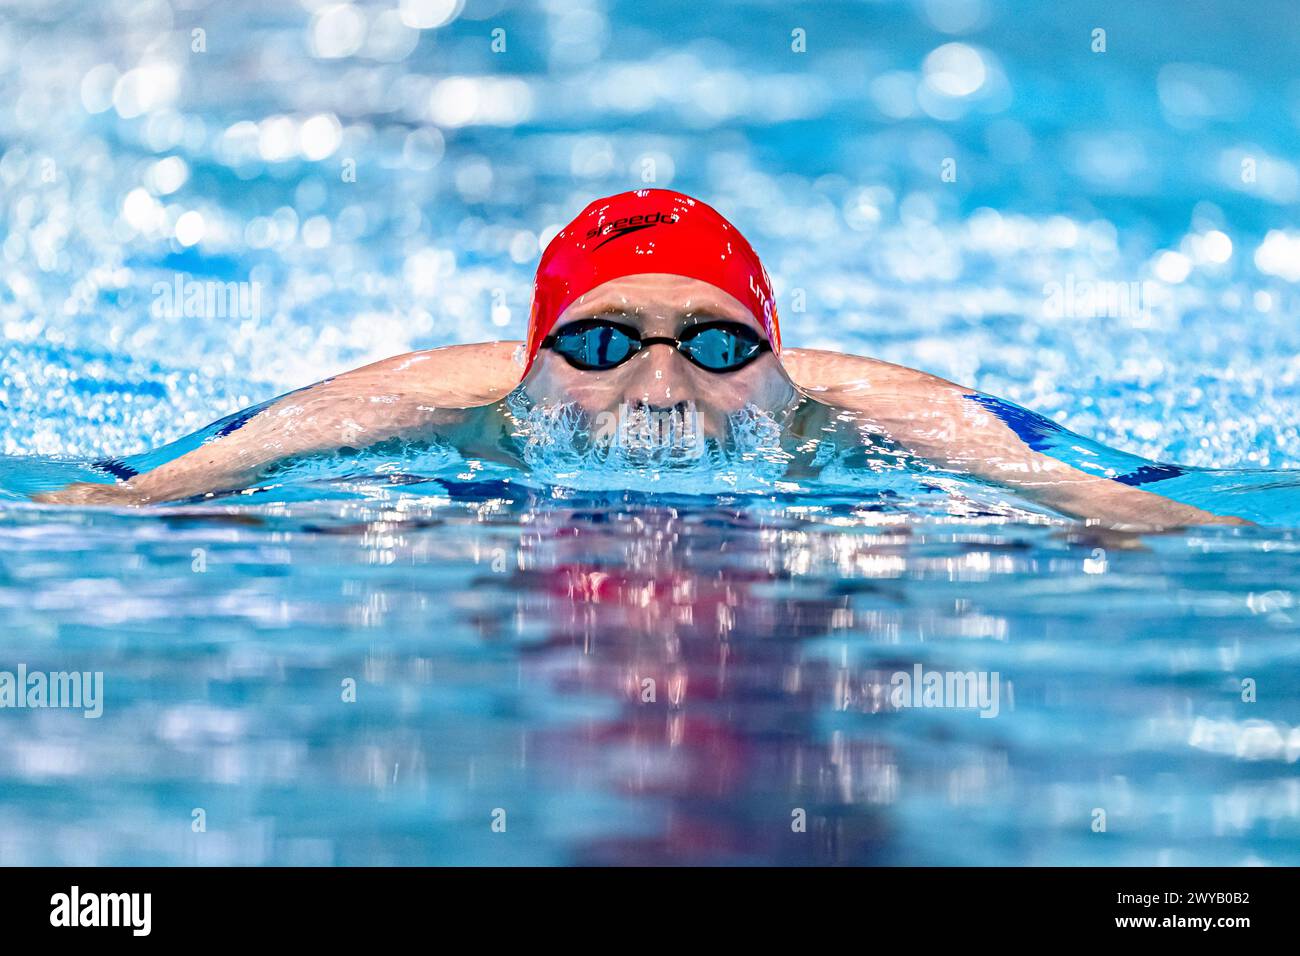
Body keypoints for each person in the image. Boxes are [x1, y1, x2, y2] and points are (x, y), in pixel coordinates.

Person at [35, 189, 1246, 528]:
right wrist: (132, 500)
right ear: (528, 368)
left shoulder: (866, 411)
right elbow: (168, 482)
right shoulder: (440, 400)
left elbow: (1115, 501)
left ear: (782, 369)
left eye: (719, 344)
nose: (660, 386)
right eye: (602, 341)